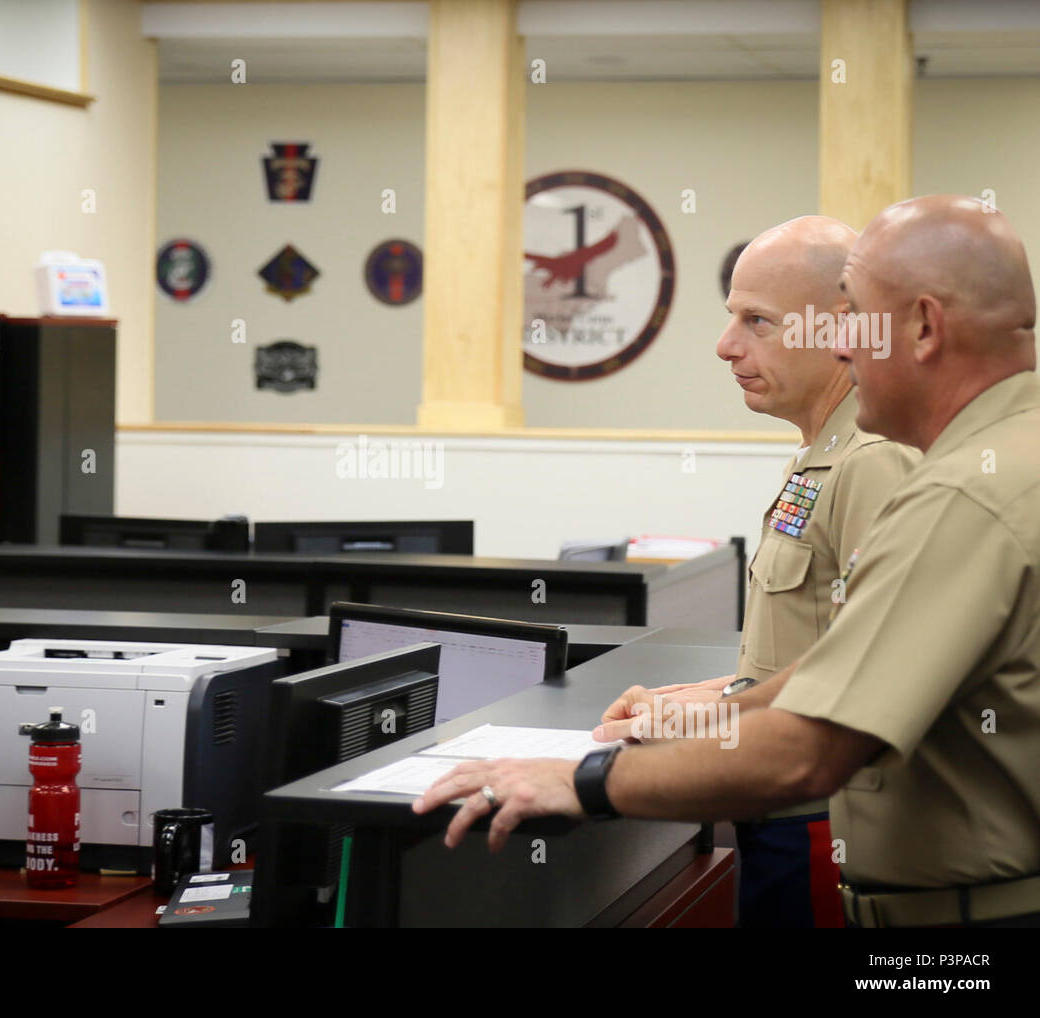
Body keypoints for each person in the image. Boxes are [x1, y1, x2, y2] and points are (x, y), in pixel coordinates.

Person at [414, 194, 1040, 927]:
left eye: (855, 322)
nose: (843, 347)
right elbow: (842, 668)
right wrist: (704, 717)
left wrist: (587, 781)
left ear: (925, 327)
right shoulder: (1005, 460)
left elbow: (813, 748)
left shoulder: (964, 494)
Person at [599, 216, 918, 927]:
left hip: (823, 823)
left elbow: (875, 673)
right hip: (781, 808)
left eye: (757, 322)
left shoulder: (872, 461)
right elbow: (816, 645)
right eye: (731, 318)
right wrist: (706, 696)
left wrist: (710, 716)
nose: (725, 345)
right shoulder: (824, 451)